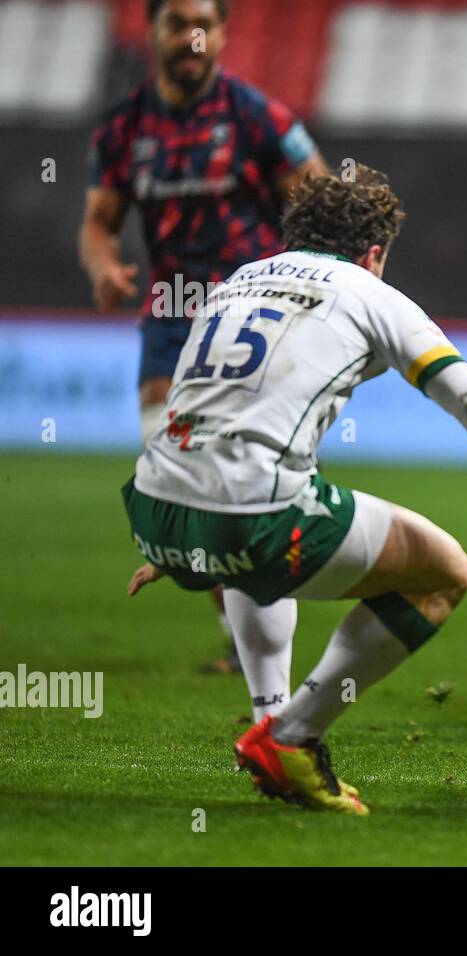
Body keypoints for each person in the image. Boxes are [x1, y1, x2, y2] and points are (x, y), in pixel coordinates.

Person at [122, 165, 467, 813]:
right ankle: (292, 735)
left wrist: (179, 523)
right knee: (442, 572)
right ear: (375, 253)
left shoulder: (239, 282)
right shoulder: (368, 292)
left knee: (271, 535)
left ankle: (270, 720)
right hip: (244, 509)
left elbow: (207, 406)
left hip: (156, 505)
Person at [79, 0, 328, 672]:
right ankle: (246, 635)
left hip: (253, 316)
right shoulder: (125, 128)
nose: (191, 36)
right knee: (182, 478)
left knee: (244, 483)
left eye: (205, 23)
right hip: (169, 315)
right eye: (176, 22)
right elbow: (99, 222)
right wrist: (104, 266)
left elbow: (322, 200)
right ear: (152, 32)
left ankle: (261, 638)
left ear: (221, 34)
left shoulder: (259, 118)